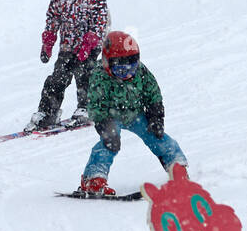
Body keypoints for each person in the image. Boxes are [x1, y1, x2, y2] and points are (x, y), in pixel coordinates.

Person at [77, 31, 187, 197]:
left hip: (134, 113)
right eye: (121, 71)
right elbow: (95, 104)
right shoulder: (99, 76)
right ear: (107, 63)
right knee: (110, 143)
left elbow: (153, 93)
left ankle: (177, 166)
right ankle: (93, 178)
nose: (127, 75)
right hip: (110, 115)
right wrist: (104, 124)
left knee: (157, 136)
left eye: (131, 69)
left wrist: (155, 116)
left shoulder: (141, 72)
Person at [27, 0, 111, 131]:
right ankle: (48, 111)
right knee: (57, 77)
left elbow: (100, 23)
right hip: (67, 46)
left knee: (85, 74)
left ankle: (87, 107)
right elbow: (52, 19)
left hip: (91, 47)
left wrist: (88, 44)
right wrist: (48, 43)